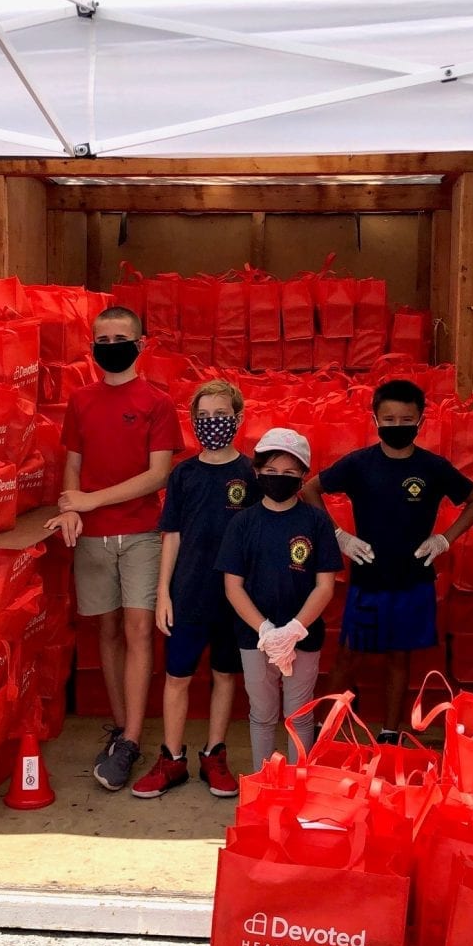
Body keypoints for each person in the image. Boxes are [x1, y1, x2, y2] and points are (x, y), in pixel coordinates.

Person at [301, 379, 473, 744]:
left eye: (406, 418)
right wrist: (338, 535)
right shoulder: (359, 463)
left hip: (413, 579)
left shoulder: (433, 467)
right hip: (368, 577)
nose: (397, 424)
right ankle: (324, 732)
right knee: (348, 657)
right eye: (389, 418)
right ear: (375, 419)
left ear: (421, 420)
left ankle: (390, 733)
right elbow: (310, 489)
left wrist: (445, 539)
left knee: (399, 658)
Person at [45, 306, 183, 791]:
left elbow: (159, 474)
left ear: (140, 344)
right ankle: (122, 731)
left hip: (143, 532)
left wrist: (90, 500)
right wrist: (70, 508)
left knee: (139, 629)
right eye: (101, 339)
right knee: (106, 630)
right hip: (93, 537)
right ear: (92, 346)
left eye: (119, 337)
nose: (110, 345)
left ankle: (129, 736)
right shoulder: (81, 400)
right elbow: (72, 464)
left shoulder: (157, 402)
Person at [131, 380, 260, 799]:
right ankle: (171, 758)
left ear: (238, 419)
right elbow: (171, 535)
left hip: (235, 599)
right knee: (177, 676)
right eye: (202, 417)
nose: (211, 424)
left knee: (225, 675)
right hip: (188, 594)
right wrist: (163, 593)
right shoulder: (184, 473)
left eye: (220, 415)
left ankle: (214, 754)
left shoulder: (250, 474)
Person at [215, 428, 342, 772]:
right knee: (262, 712)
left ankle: (300, 782)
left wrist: (295, 629)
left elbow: (325, 585)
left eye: (289, 472)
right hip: (255, 638)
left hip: (304, 637)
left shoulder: (316, 521)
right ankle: (262, 781)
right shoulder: (242, 523)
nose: (279, 479)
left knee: (299, 712)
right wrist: (267, 631)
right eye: (271, 471)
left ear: (303, 475)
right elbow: (233, 586)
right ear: (256, 473)